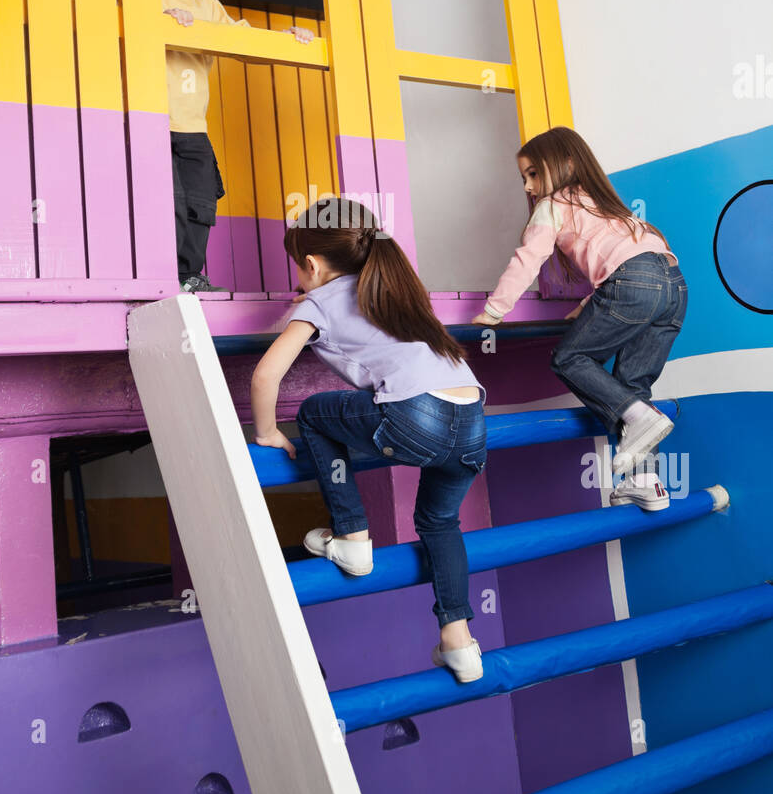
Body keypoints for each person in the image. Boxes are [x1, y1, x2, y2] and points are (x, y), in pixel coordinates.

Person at [249, 198, 489, 683]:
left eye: (300, 270)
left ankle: (353, 536)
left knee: (314, 413)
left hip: (417, 415)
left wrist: (268, 432)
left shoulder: (319, 301)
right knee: (441, 523)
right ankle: (459, 643)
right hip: (472, 419)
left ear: (311, 265)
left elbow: (265, 375)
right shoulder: (395, 289)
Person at [472, 127, 687, 512]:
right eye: (523, 177)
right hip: (674, 289)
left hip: (633, 286)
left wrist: (491, 313)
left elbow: (527, 260)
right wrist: (591, 302)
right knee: (628, 385)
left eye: (534, 173)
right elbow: (633, 259)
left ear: (567, 164)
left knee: (569, 358)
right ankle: (646, 483)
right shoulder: (605, 204)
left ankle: (640, 416)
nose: (528, 185)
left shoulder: (555, 204)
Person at [158, 0, 314, 293]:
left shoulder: (207, 4)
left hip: (192, 126)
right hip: (154, 120)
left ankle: (189, 275)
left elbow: (241, 44)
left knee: (200, 202)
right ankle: (161, 276)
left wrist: (283, 39)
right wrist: (163, 21)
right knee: (166, 200)